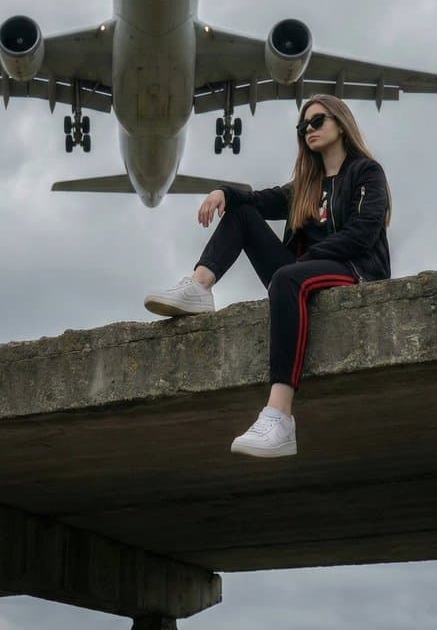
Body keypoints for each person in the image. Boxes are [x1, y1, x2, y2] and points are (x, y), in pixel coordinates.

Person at [144, 94, 392, 458]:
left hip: (354, 270)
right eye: (303, 126)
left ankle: (279, 416)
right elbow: (258, 201)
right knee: (242, 215)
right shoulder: (305, 185)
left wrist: (305, 261)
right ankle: (199, 286)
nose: (309, 129)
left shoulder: (366, 173)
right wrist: (223, 193)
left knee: (288, 279)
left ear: (340, 123)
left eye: (317, 121)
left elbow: (363, 233)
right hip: (302, 273)